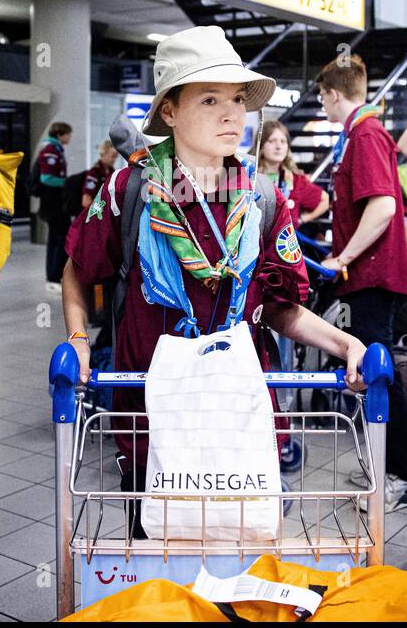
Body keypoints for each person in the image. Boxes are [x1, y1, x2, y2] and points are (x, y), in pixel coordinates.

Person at [60, 26, 369, 536]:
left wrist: (345, 343)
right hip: (151, 420)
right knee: (159, 567)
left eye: (235, 99)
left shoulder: (263, 199)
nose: (232, 114)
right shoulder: (130, 188)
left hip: (239, 415)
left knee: (243, 574)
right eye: (209, 99)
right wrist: (77, 340)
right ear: (169, 112)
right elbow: (78, 269)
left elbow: (278, 307)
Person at [314, 55, 407, 512]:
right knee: (370, 371)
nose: (322, 108)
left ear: (335, 95)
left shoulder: (367, 134)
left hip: (372, 275)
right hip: (365, 276)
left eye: (322, 99)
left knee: (380, 372)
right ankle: (383, 464)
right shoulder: (360, 135)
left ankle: (401, 476)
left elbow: (382, 208)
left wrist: (344, 257)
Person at [256, 119, 329, 228]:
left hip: (283, 243)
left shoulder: (296, 180)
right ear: (261, 146)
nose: (278, 146)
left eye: (283, 141)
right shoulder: (248, 176)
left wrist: (302, 220)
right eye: (272, 141)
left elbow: (325, 199)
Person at [34, 122, 73, 293]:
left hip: (54, 203)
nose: (69, 138)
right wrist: (67, 183)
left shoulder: (55, 149)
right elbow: (47, 178)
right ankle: (54, 277)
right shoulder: (50, 150)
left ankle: (53, 276)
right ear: (60, 134)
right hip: (53, 204)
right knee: (61, 239)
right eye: (67, 134)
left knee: (55, 240)